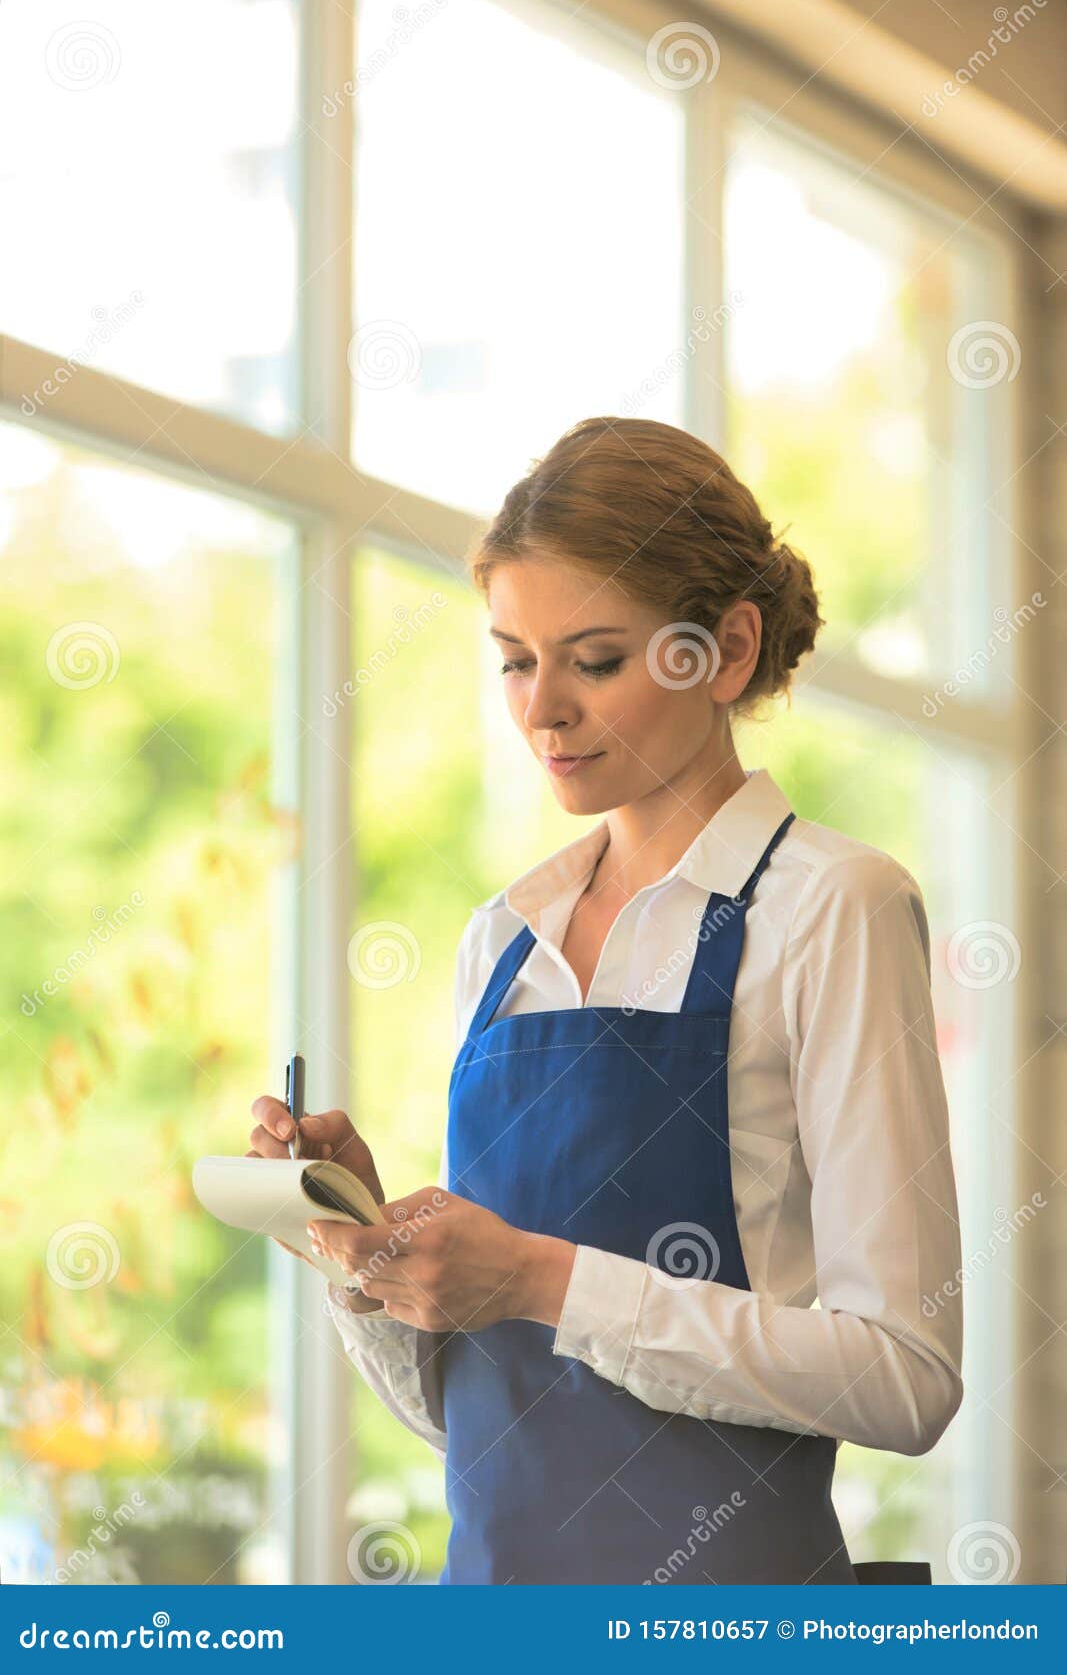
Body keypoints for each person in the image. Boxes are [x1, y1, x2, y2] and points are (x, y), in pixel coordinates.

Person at [248, 416, 964, 1585]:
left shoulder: (834, 906)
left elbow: (905, 1376)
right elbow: (489, 1426)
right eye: (515, 660)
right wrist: (368, 1257)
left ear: (725, 650)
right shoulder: (502, 938)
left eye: (593, 659)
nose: (540, 712)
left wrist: (539, 1275)